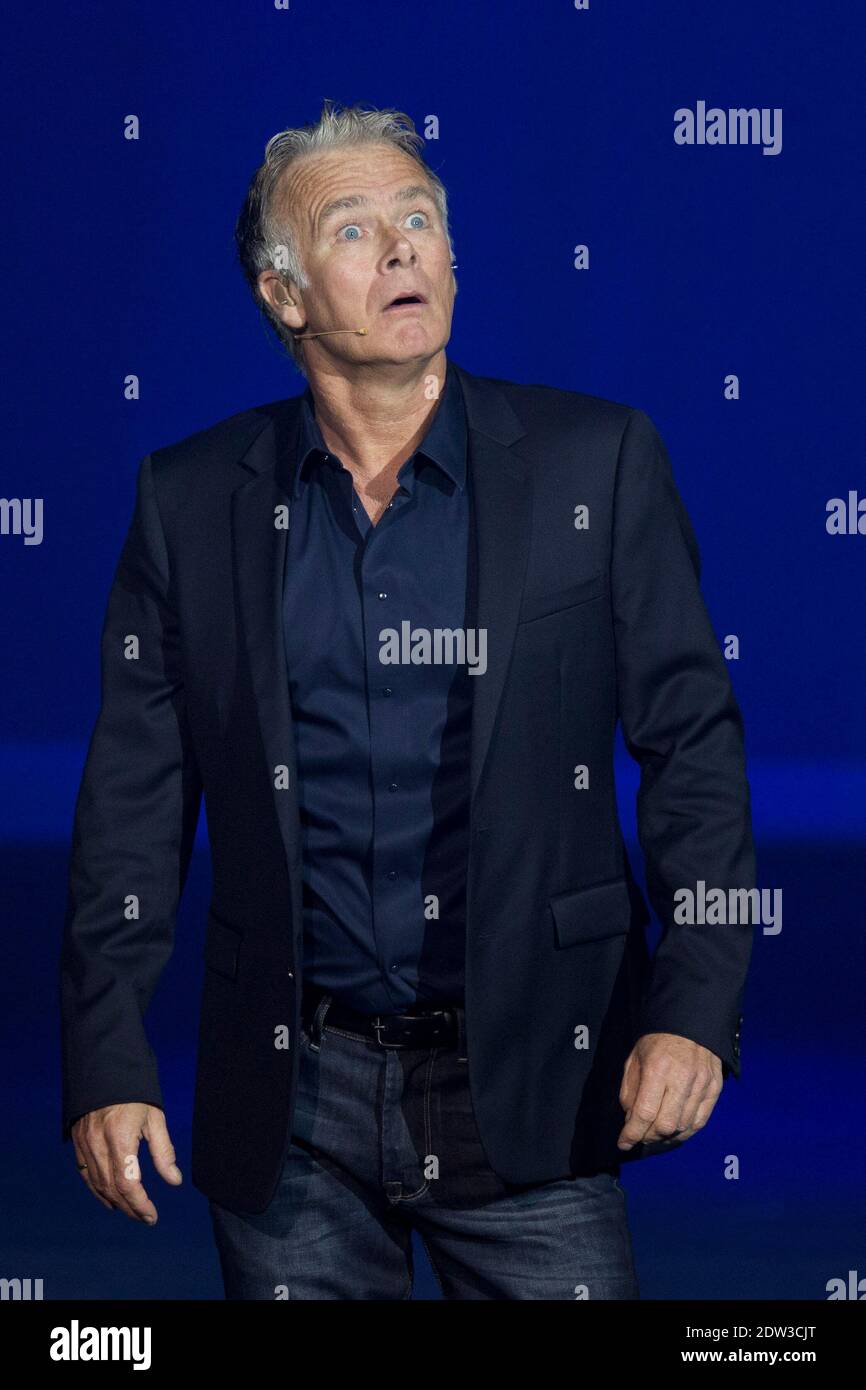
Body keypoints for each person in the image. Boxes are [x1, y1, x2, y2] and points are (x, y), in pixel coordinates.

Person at [60, 99, 755, 1300]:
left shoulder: (595, 463)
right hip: (293, 1111)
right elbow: (134, 797)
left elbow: (690, 746)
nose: (401, 249)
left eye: (419, 218)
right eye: (353, 228)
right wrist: (106, 1055)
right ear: (283, 296)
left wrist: (694, 1004)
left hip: (532, 1080)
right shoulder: (190, 502)